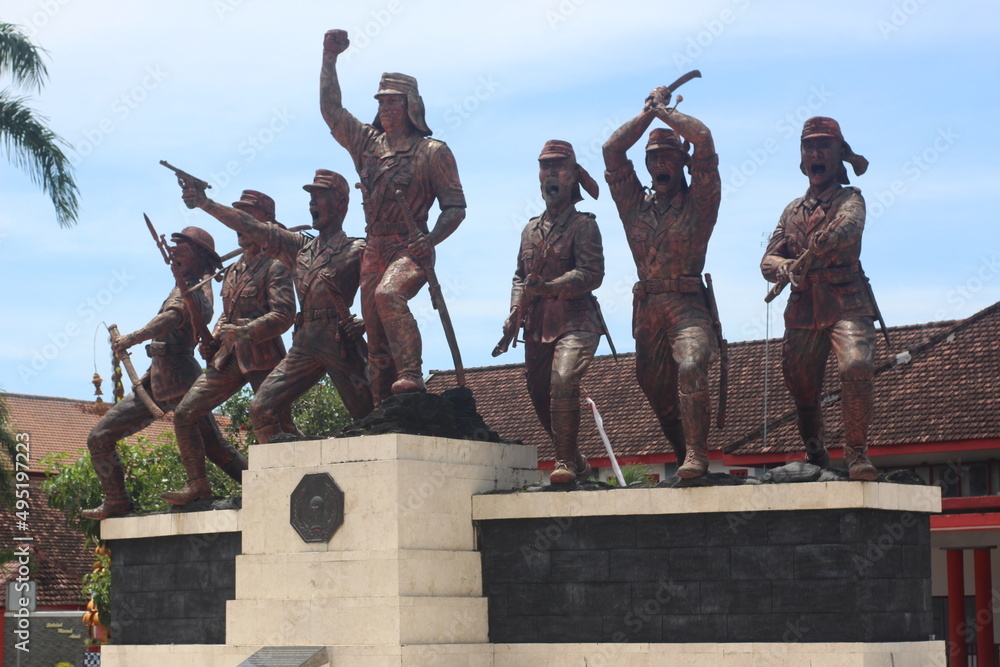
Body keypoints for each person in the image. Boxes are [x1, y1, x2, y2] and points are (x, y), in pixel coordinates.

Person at [319, 29, 467, 403]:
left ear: (410, 107)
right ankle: (383, 404)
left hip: (411, 245)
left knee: (389, 295)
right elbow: (331, 111)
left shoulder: (432, 151)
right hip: (375, 245)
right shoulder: (368, 145)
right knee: (374, 331)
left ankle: (411, 373)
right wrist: (329, 59)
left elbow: (455, 207)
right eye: (381, 103)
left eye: (392, 103)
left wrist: (430, 239)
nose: (384, 109)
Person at [181, 171, 373, 443]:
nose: (312, 204)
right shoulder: (298, 247)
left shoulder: (358, 249)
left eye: (319, 197)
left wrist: (365, 323)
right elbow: (251, 226)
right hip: (305, 340)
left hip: (339, 340)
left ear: (341, 203)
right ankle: (300, 464)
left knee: (369, 419)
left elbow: (378, 296)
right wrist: (205, 202)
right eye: (310, 198)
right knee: (261, 409)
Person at [602, 86, 722, 478]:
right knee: (655, 391)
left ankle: (697, 456)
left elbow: (703, 140)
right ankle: (683, 454)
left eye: (668, 156)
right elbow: (611, 152)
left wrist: (665, 113)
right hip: (648, 311)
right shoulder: (635, 205)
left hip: (688, 305)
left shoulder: (699, 201)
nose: (659, 165)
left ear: (682, 162)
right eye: (653, 159)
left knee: (691, 365)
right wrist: (647, 115)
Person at [81, 227, 239, 519]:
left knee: (216, 448)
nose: (174, 253)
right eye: (174, 250)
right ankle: (116, 500)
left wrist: (134, 337)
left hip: (180, 375)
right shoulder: (182, 285)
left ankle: (261, 487)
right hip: (157, 376)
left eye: (182, 250)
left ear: (201, 257)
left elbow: (174, 317)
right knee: (100, 437)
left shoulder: (198, 291)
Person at [760, 116, 878, 480]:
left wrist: (825, 241)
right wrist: (785, 268)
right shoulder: (791, 211)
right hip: (802, 306)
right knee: (801, 385)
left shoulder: (850, 198)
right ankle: (815, 450)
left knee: (856, 365)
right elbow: (767, 259)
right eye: (808, 147)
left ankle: (857, 454)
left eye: (822, 146)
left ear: (839, 154)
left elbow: (850, 226)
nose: (815, 154)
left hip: (846, 300)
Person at [160, 191, 296, 505]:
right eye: (238, 217)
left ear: (266, 223)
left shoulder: (275, 266)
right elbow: (227, 313)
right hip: (229, 358)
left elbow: (284, 315)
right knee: (185, 414)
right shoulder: (233, 270)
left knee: (275, 424)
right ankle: (198, 485)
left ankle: (289, 485)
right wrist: (215, 338)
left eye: (248, 216)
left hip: (263, 357)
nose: (240, 225)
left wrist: (246, 331)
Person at [507, 140, 604, 484]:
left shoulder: (584, 225)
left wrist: (549, 288)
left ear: (573, 175)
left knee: (563, 381)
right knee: (538, 394)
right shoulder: (530, 229)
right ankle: (576, 460)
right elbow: (520, 276)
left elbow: (592, 274)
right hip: (538, 324)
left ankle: (562, 461)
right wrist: (514, 312)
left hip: (577, 319)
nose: (550, 174)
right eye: (544, 167)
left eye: (558, 167)